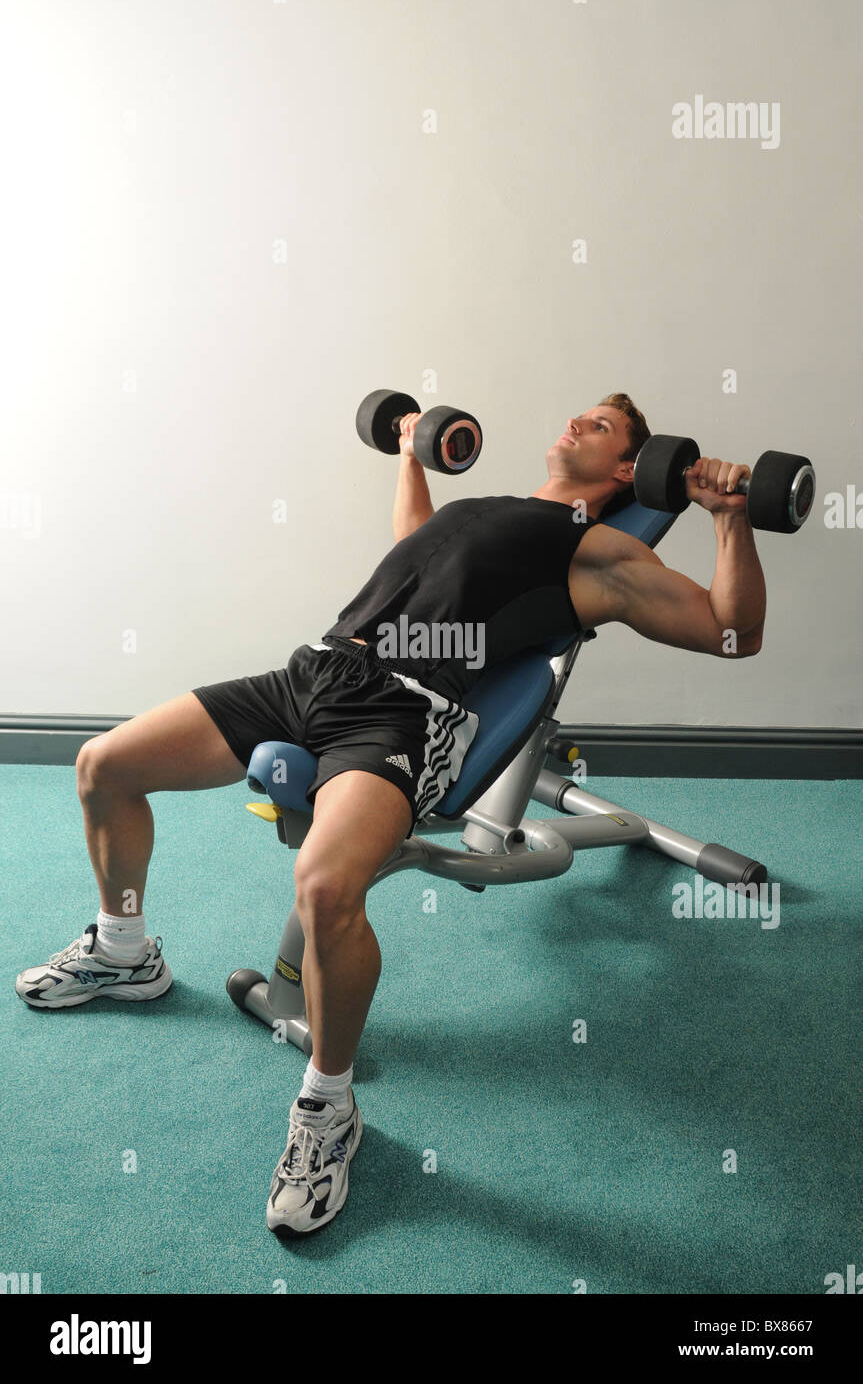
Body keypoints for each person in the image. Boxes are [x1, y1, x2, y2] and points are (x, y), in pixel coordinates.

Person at [15, 393, 766, 1236]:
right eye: (577, 414)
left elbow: (730, 633)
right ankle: (125, 953)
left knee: (328, 886)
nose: (569, 422)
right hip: (313, 673)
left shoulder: (599, 550)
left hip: (402, 714)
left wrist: (729, 518)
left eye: (597, 426)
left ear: (630, 470)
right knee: (103, 765)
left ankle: (328, 1111)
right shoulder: (491, 512)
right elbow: (414, 537)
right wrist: (410, 450)